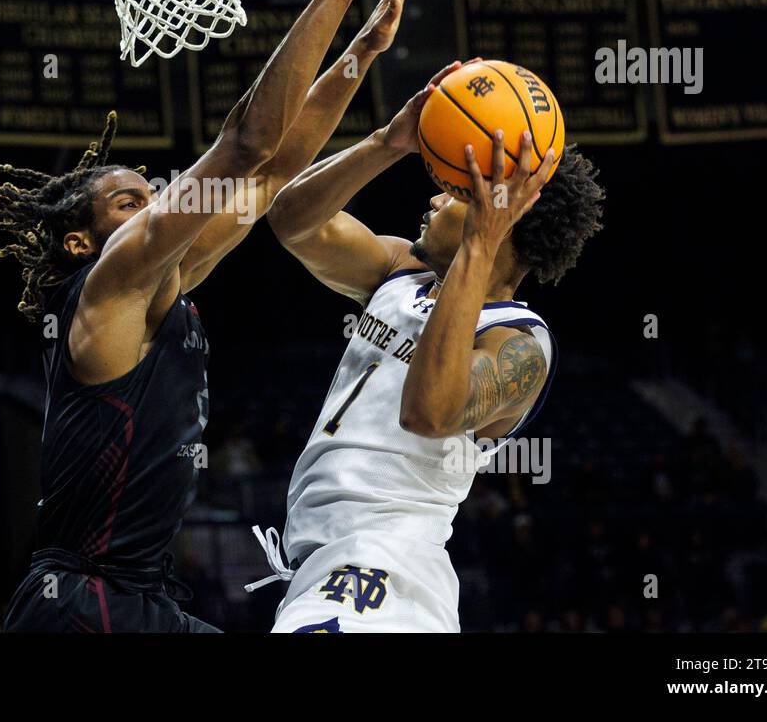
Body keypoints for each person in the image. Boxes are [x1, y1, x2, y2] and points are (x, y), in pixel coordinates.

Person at [0, 0, 417, 632]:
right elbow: (243, 143)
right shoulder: (111, 287)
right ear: (83, 239)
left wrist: (361, 56)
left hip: (141, 597)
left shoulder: (172, 280)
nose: (156, 207)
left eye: (153, 192)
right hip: (81, 599)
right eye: (131, 202)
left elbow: (270, 173)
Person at [250, 67, 605, 631]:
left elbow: (429, 412)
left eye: (458, 193)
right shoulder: (400, 273)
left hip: (380, 568)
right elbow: (292, 222)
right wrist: (385, 142)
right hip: (326, 567)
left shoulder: (518, 343)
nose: (436, 197)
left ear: (503, 214)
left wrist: (479, 243)